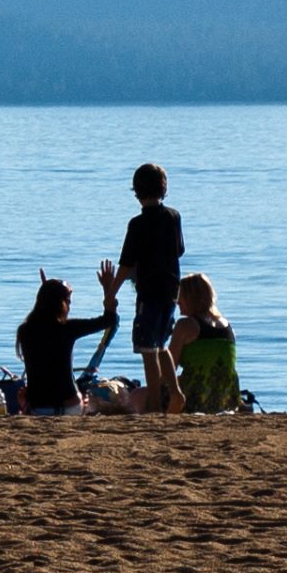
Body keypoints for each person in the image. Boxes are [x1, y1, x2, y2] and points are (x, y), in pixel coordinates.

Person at [112, 162, 186, 415]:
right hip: (171, 291)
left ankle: (155, 404)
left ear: (136, 192)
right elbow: (179, 250)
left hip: (150, 292)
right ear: (164, 190)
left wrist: (111, 291)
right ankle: (175, 393)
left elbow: (126, 263)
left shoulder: (137, 224)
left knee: (147, 350)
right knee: (161, 345)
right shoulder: (173, 216)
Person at [15, 263, 121, 416]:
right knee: (85, 398)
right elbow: (109, 320)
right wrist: (108, 290)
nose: (69, 305)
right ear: (61, 304)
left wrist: (49, 293)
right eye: (68, 301)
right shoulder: (68, 329)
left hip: (38, 409)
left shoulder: (25, 331)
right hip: (68, 407)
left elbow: (46, 332)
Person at [169, 271, 241, 414]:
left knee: (138, 395)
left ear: (190, 298)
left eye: (180, 296)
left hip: (195, 396)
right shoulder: (227, 326)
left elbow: (169, 369)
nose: (177, 302)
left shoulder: (186, 325)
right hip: (225, 398)